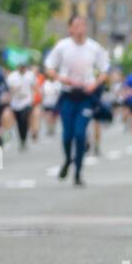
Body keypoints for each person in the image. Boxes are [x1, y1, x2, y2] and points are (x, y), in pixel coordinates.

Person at [45, 16, 109, 186]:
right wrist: (61, 78)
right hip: (68, 95)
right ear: (70, 29)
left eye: (83, 25)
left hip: (85, 97)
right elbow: (49, 67)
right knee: (67, 135)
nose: (80, 28)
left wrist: (95, 84)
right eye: (76, 25)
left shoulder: (94, 48)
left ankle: (78, 173)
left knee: (80, 134)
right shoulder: (62, 46)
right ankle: (68, 159)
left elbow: (104, 70)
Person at [6, 62, 37, 150]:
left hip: (27, 101)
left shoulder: (30, 75)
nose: (22, 69)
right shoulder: (12, 77)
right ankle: (22, 139)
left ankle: (25, 138)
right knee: (20, 122)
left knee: (25, 119)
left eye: (23, 67)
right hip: (15, 103)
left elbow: (34, 87)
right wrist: (14, 89)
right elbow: (7, 89)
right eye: (20, 67)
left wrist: (35, 97)